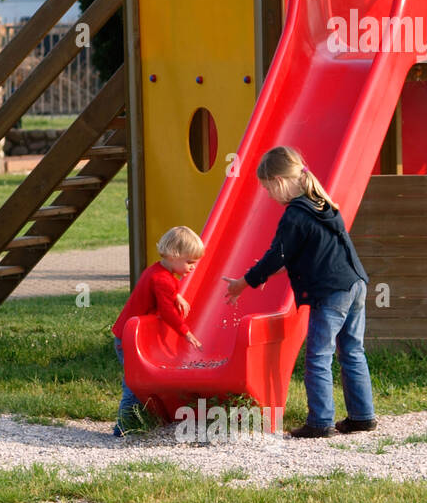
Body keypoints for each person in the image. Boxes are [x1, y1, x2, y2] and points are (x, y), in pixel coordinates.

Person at [223, 146, 376, 438]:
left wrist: (244, 282)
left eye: (268, 188)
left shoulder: (294, 213)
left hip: (332, 291)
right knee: (353, 351)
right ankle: (362, 416)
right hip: (355, 284)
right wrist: (272, 271)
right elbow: (308, 252)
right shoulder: (320, 203)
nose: (268, 195)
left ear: (279, 181)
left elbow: (275, 254)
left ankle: (320, 422)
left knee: (319, 355)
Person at [110, 226, 204, 436]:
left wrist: (176, 295)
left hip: (126, 335)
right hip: (128, 339)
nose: (192, 267)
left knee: (139, 383)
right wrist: (185, 332)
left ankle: (141, 421)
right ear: (173, 255)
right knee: (134, 385)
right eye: (189, 262)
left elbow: (163, 288)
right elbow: (168, 312)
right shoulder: (162, 279)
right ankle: (123, 428)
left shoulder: (157, 270)